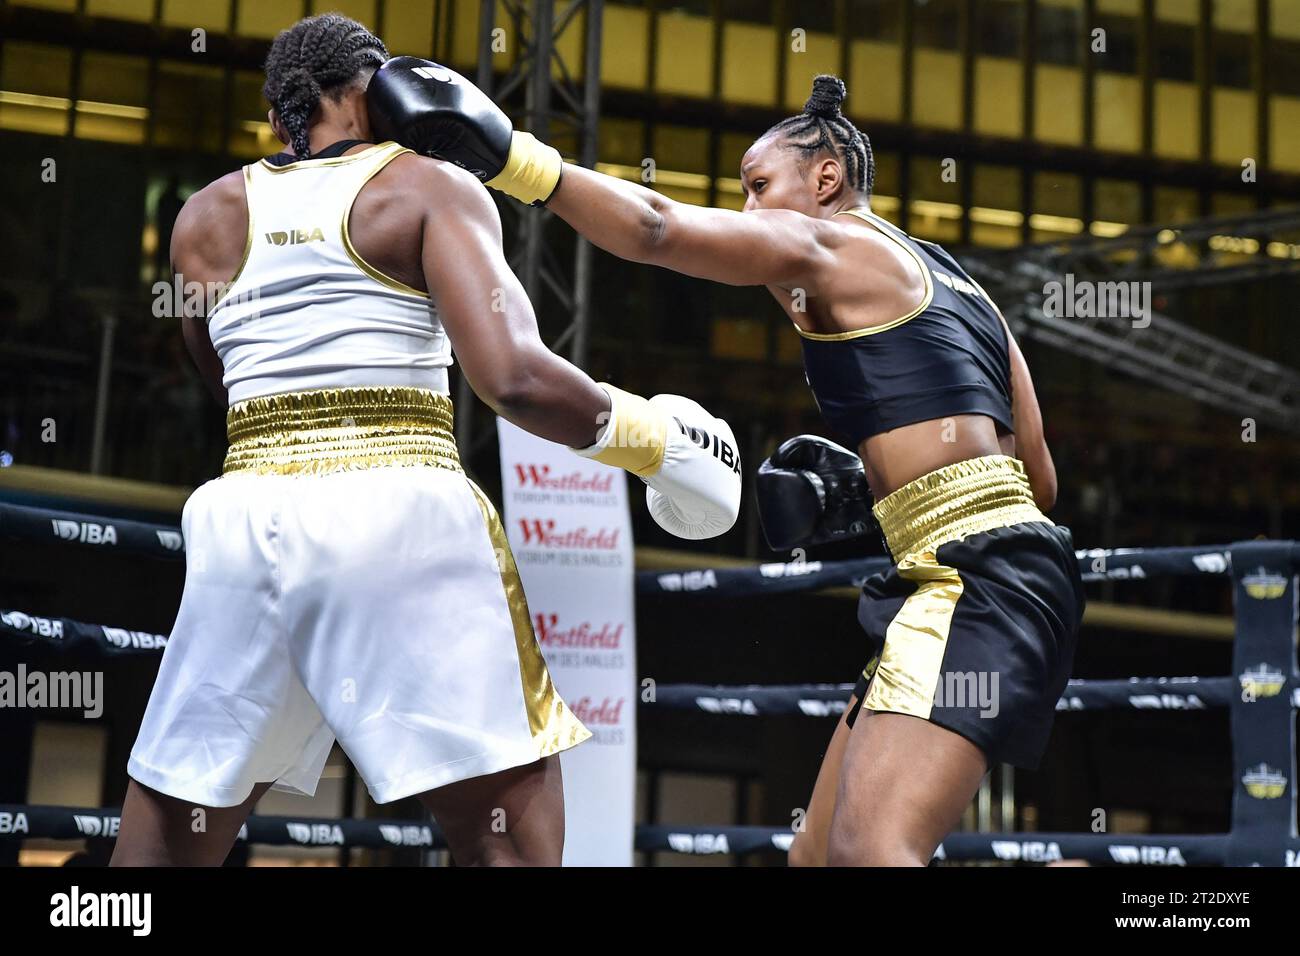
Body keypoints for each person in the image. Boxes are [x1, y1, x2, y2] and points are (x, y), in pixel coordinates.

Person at [368, 63, 1084, 867]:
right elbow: (1040, 480)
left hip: (972, 578)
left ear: (826, 178)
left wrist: (514, 160)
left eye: (756, 184)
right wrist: (879, 491)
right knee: (816, 855)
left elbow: (656, 229)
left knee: (872, 852)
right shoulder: (971, 296)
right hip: (976, 569)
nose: (748, 212)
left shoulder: (833, 242)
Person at [110, 14, 740, 868]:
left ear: (276, 112)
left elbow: (220, 380)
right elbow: (512, 374)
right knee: (507, 843)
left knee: (163, 843)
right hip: (397, 508)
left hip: (238, 519)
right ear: (376, 90)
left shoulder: (201, 220)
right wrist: (660, 442)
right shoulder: (429, 189)